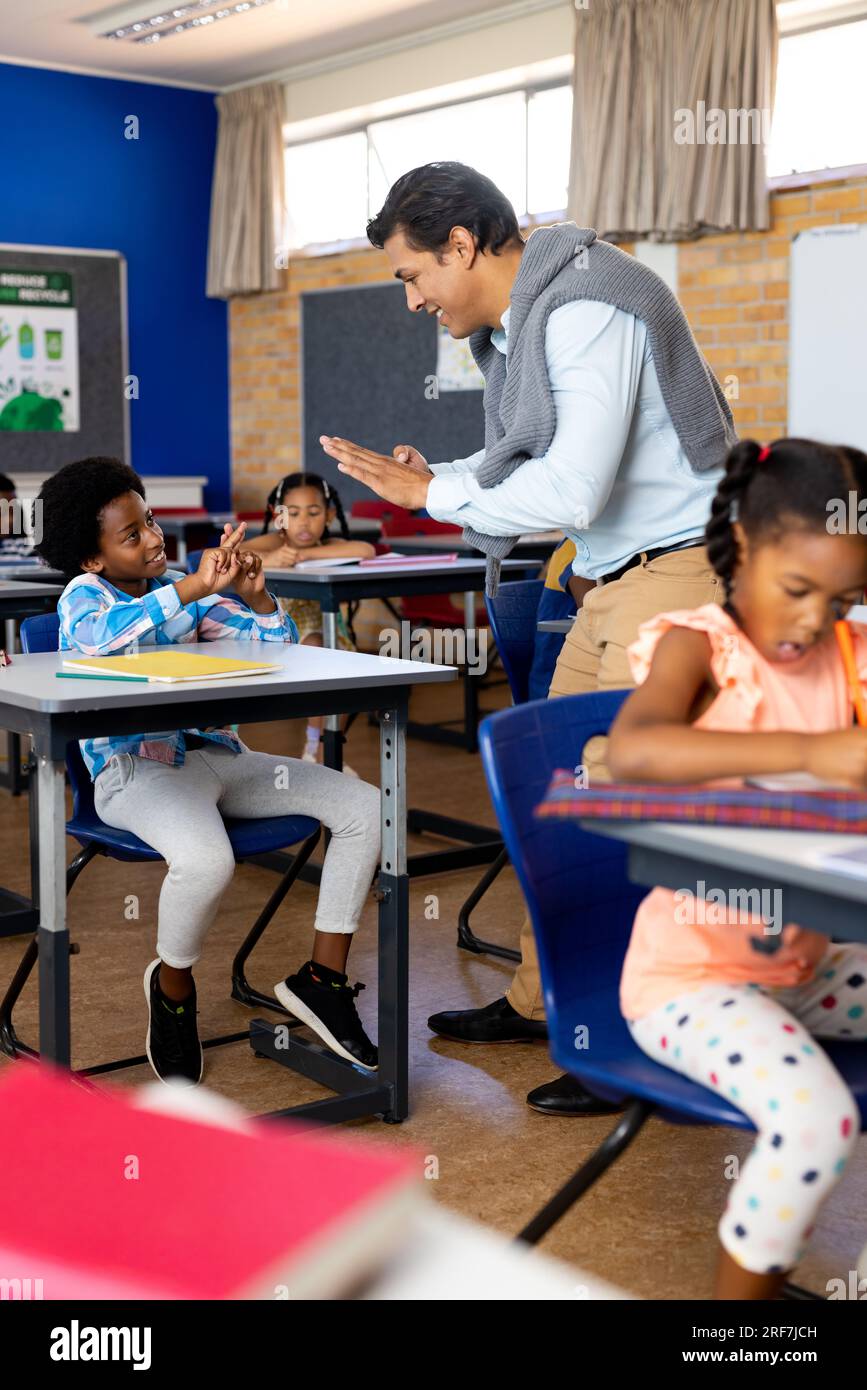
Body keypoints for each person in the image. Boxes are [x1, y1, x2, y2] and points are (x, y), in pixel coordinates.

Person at [319, 161, 736, 1115]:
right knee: (555, 803)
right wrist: (442, 473)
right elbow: (539, 460)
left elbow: (572, 489)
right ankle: (544, 1000)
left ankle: (635, 1039)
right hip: (614, 575)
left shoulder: (587, 307)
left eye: (413, 275)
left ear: (461, 246)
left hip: (676, 574)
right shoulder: (524, 327)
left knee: (624, 817)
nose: (415, 299)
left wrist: (433, 493)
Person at [608, 436, 867, 1299]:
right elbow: (635, 752)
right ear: (747, 548)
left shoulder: (847, 655)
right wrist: (814, 750)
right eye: (797, 590)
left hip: (805, 964)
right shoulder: (701, 644)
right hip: (690, 982)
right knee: (815, 1122)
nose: (810, 621)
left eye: (844, 599)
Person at [36, 457, 381, 1084]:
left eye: (151, 521)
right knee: (207, 861)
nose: (153, 537)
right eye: (132, 534)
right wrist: (193, 589)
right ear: (93, 559)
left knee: (362, 806)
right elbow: (98, 641)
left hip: (220, 762)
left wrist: (256, 597)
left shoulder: (186, 598)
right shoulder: (85, 597)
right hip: (137, 774)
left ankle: (322, 979)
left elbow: (272, 648)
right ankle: (171, 988)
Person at [245, 471, 375, 767]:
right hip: (281, 632)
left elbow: (365, 549)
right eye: (293, 513)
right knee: (318, 649)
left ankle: (320, 751)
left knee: (340, 662)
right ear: (277, 516)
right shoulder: (271, 543)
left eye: (314, 512)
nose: (304, 522)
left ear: (329, 515)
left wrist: (305, 556)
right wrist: (271, 559)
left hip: (330, 632)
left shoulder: (328, 546)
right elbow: (236, 552)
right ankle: (314, 750)